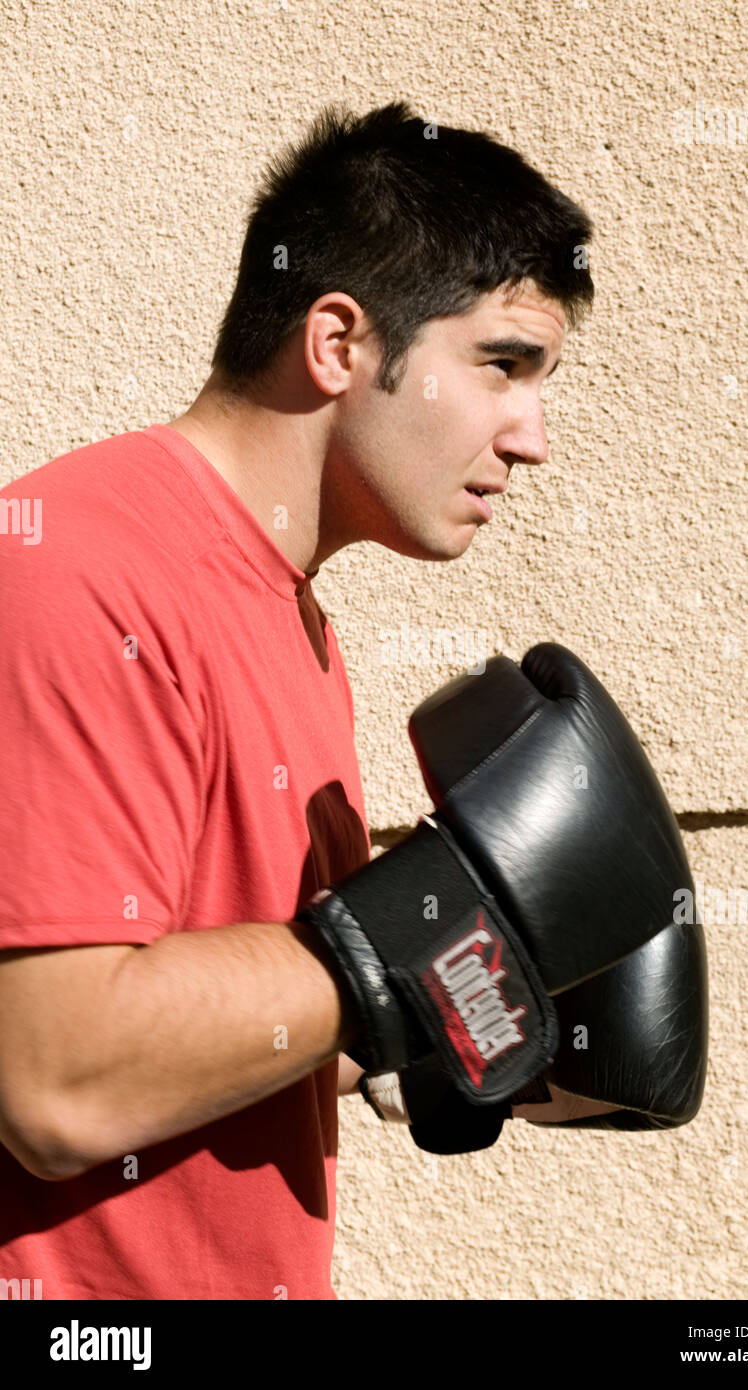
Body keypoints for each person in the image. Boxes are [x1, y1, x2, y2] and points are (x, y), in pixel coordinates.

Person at [0, 100, 597, 1299]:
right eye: (500, 364)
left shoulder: (291, 614)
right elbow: (57, 1080)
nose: (530, 434)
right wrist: (430, 923)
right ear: (337, 344)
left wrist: (465, 1025)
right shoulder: (70, 569)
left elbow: (234, 1006)